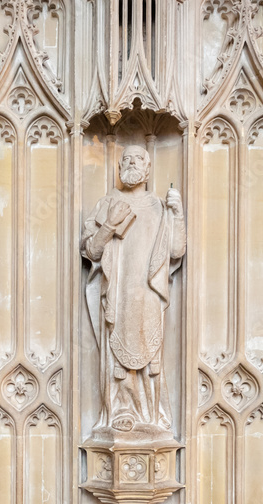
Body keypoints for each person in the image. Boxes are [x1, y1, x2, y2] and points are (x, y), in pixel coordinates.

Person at [82, 145, 185, 435]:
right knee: (117, 357)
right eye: (125, 159)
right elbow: (91, 250)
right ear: (118, 168)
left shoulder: (159, 207)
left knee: (150, 353)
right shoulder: (106, 204)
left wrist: (177, 214)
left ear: (148, 169)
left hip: (149, 295)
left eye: (138, 159)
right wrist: (109, 225)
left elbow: (176, 251)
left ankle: (150, 417)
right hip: (117, 293)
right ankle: (120, 412)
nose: (131, 163)